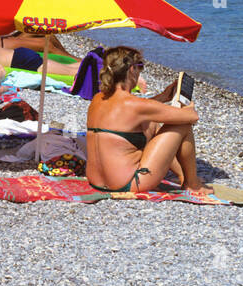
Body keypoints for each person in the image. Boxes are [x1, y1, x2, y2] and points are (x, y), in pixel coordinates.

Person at [85, 46, 210, 194]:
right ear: (131, 69)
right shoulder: (135, 105)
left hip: (96, 181)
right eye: (140, 67)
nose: (140, 72)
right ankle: (192, 183)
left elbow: (132, 113)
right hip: (128, 184)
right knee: (182, 125)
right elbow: (192, 117)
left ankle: (182, 176)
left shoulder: (98, 98)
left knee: (153, 122)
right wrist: (189, 105)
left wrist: (162, 98)